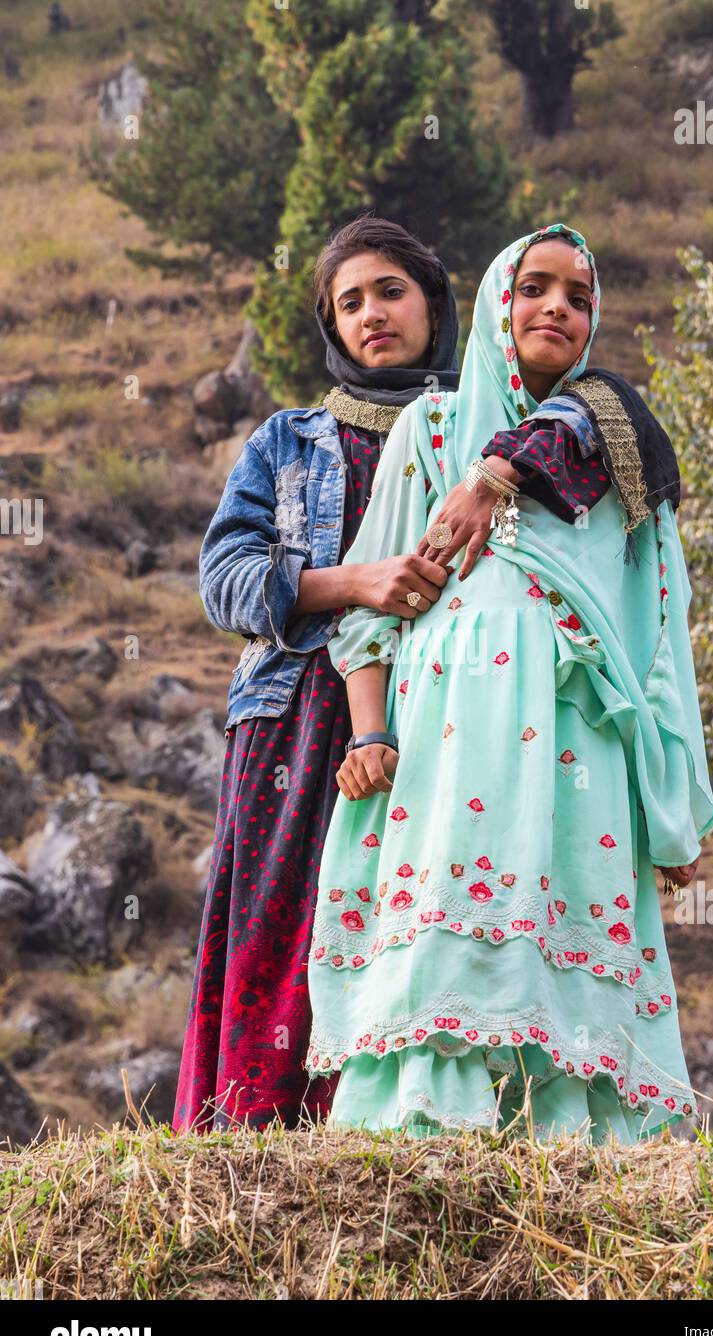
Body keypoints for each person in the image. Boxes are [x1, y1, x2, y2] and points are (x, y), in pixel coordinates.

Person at [304, 222, 713, 1144]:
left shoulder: (618, 452)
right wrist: (370, 734)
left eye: (578, 295)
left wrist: (673, 795)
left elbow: (658, 633)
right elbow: (372, 606)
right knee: (454, 904)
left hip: (586, 734)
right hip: (455, 727)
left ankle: (567, 1127)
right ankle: (429, 1117)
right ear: (499, 301)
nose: (557, 308)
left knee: (565, 903)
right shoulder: (435, 427)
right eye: (536, 287)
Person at [172, 215, 461, 1134]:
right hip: (297, 715)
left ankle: (393, 1124)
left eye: (390, 291)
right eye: (349, 302)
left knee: (416, 912)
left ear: (433, 304)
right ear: (331, 330)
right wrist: (353, 582)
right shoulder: (287, 443)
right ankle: (258, 1125)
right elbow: (224, 582)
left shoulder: (486, 443)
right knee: (281, 920)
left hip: (446, 711)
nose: (372, 314)